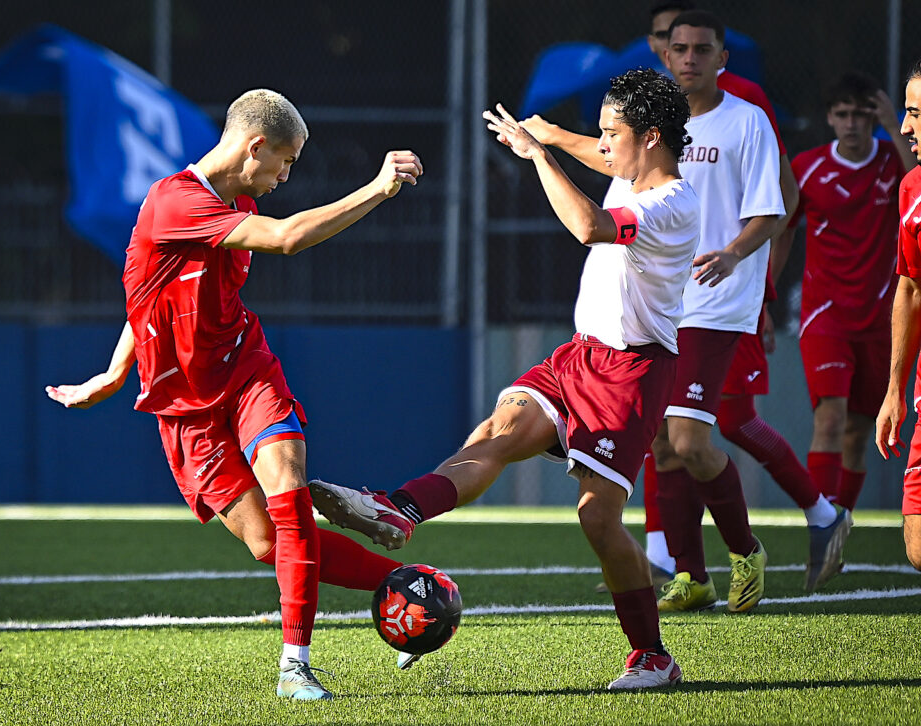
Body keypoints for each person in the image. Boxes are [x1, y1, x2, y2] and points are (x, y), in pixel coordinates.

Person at [312, 68, 698, 689]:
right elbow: (598, 160)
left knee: (598, 519)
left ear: (650, 138)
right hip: (578, 357)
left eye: (611, 134)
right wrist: (542, 135)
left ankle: (653, 655)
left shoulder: (675, 204)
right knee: (496, 431)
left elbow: (589, 227)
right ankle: (400, 509)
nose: (601, 144)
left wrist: (540, 155)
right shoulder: (635, 173)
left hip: (632, 372)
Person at [46, 89, 423, 701]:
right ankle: (405, 583)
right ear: (255, 147)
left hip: (247, 372)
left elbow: (149, 291)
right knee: (266, 542)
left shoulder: (234, 199)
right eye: (286, 162)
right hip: (184, 407)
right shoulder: (175, 202)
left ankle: (294, 666)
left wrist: (115, 373)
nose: (285, 176)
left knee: (289, 492)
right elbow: (282, 240)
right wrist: (376, 189)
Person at [644, 0, 847, 593]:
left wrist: (752, 273)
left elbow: (778, 201)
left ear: (721, 57)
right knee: (669, 434)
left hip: (723, 299)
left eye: (699, 48)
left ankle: (763, 542)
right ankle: (685, 568)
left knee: (704, 428)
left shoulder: (747, 113)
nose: (685, 57)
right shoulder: (652, 120)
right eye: (674, 46)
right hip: (663, 299)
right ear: (661, 50)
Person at [785, 72, 913, 522]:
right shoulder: (808, 167)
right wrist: (764, 295)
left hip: (881, 316)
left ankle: (840, 523)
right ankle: (822, 528)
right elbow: (781, 230)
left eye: (862, 114)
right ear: (830, 118)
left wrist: (893, 128)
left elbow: (917, 185)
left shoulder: (892, 161)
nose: (853, 124)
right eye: (843, 115)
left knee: (860, 432)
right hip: (825, 315)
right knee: (831, 419)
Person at [876, 59, 921, 572]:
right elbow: (909, 288)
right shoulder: (912, 189)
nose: (905, 126)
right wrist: (894, 391)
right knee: (915, 546)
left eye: (915, 113)